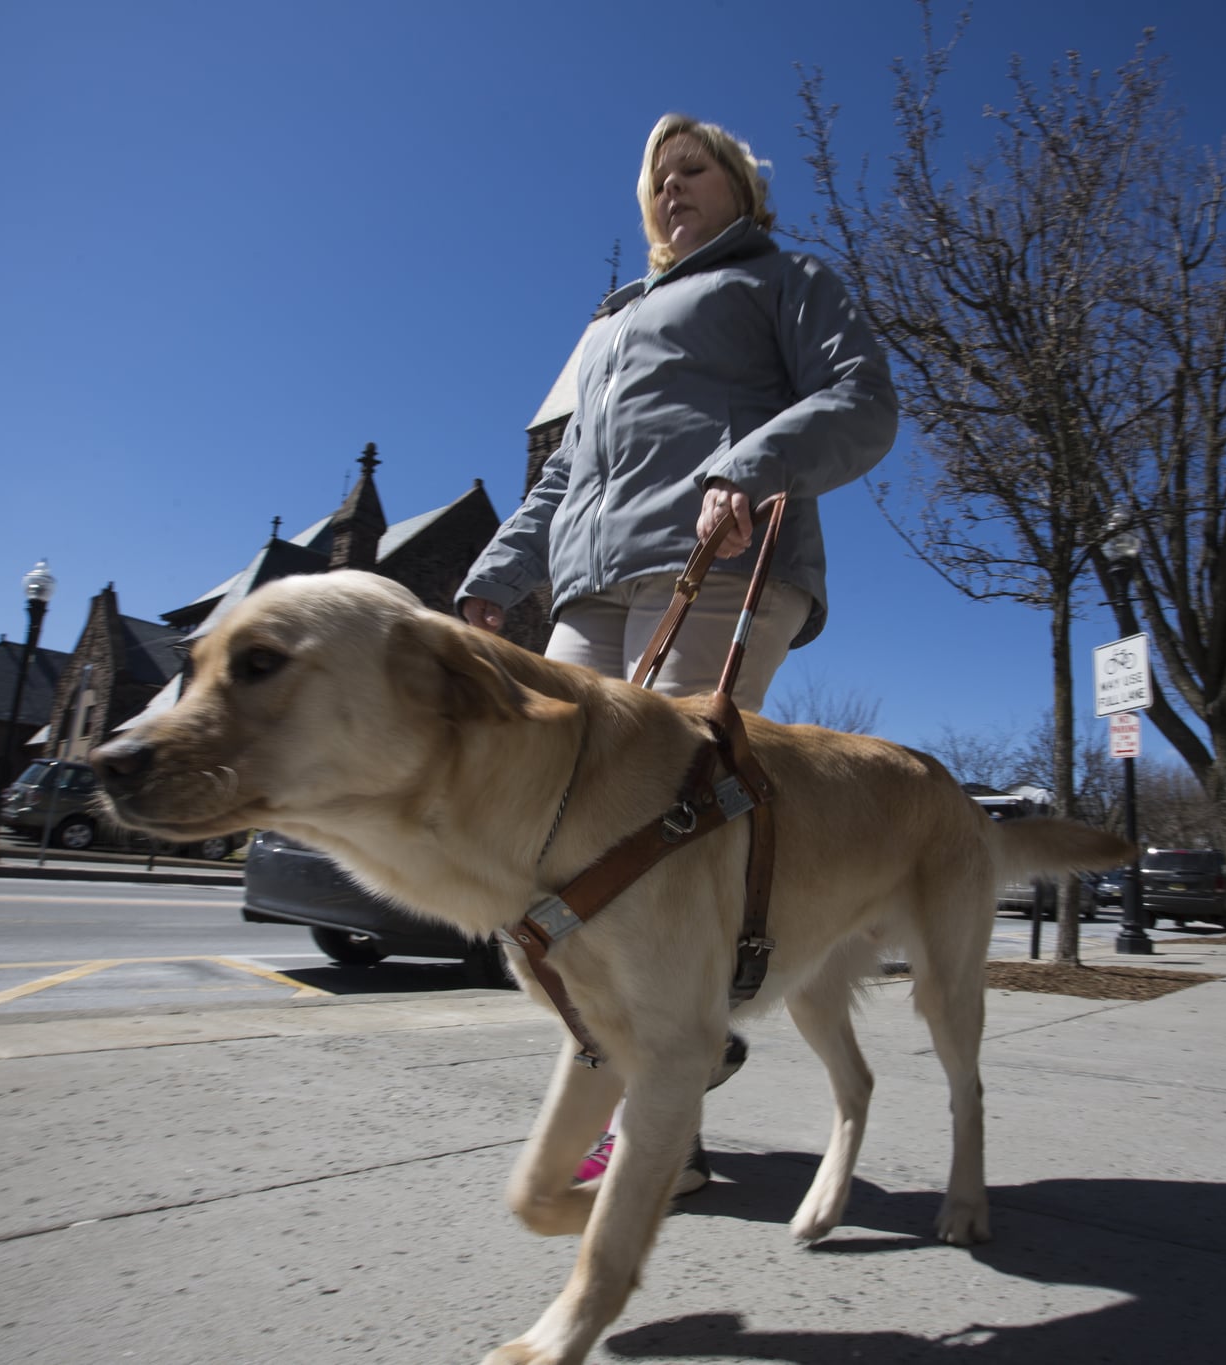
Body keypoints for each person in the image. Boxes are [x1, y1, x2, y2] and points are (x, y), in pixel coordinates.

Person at [457, 112, 898, 1195]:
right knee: (543, 841)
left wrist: (747, 468)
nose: (670, 187)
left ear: (741, 188)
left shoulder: (779, 279)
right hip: (590, 587)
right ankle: (674, 1050)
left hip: (720, 559)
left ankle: (664, 1122)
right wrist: (491, 584)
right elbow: (560, 482)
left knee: (658, 839)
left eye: (693, 169)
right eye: (657, 176)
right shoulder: (606, 326)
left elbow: (862, 402)